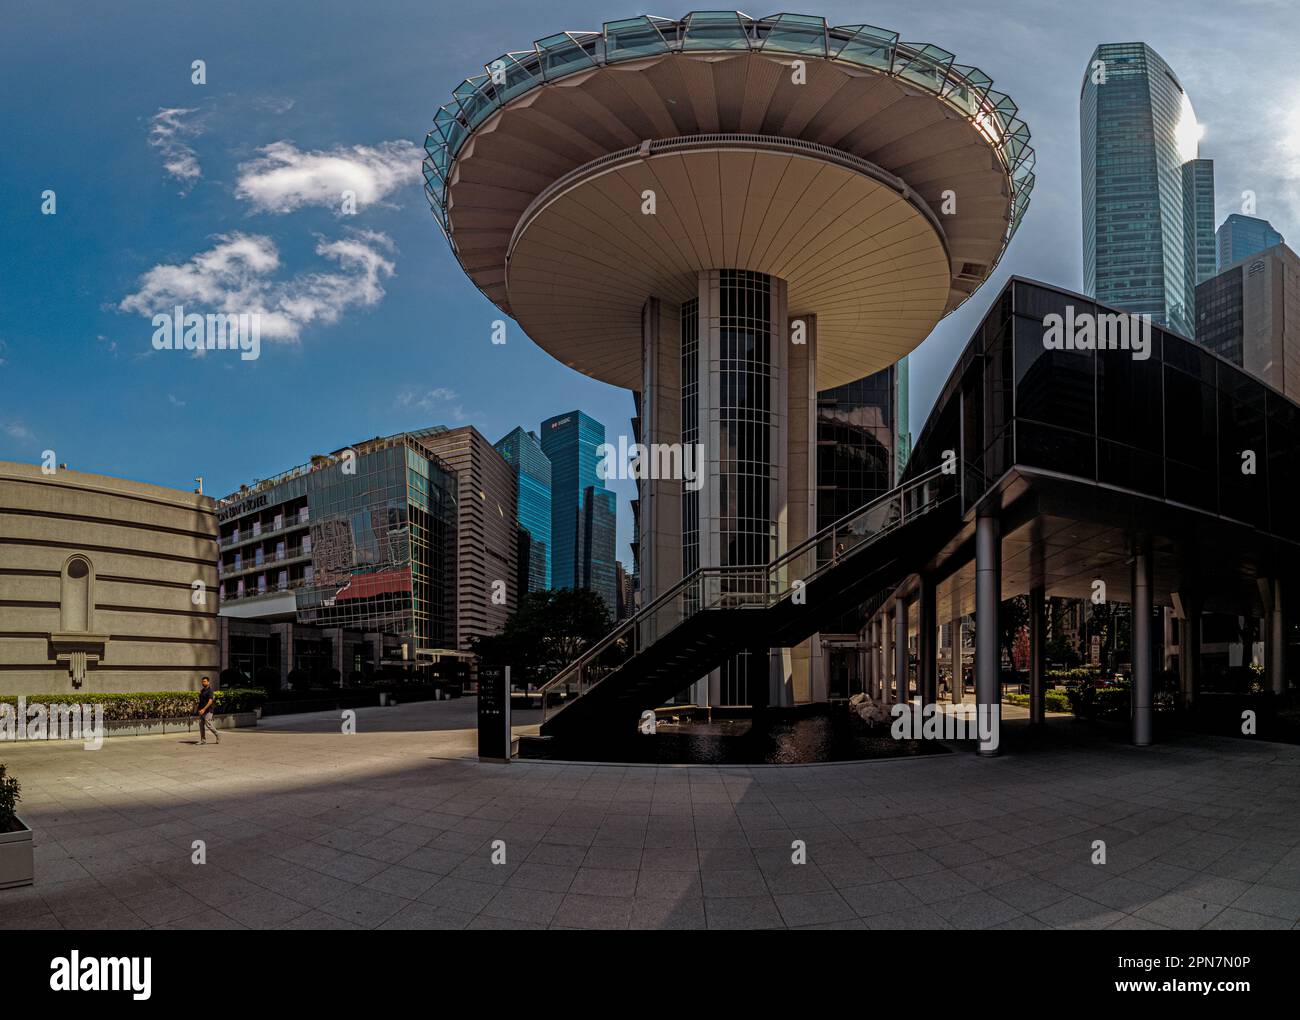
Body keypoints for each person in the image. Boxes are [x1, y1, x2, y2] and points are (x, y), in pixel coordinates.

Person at [195, 676, 220, 745]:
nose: (203, 683)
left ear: (208, 682)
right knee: (201, 725)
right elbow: (201, 701)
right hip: (202, 711)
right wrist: (199, 709)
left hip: (208, 710)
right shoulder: (202, 691)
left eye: (205, 681)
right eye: (202, 681)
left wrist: (204, 709)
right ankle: (203, 740)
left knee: (208, 724)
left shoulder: (210, 691)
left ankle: (217, 734)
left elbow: (210, 701)